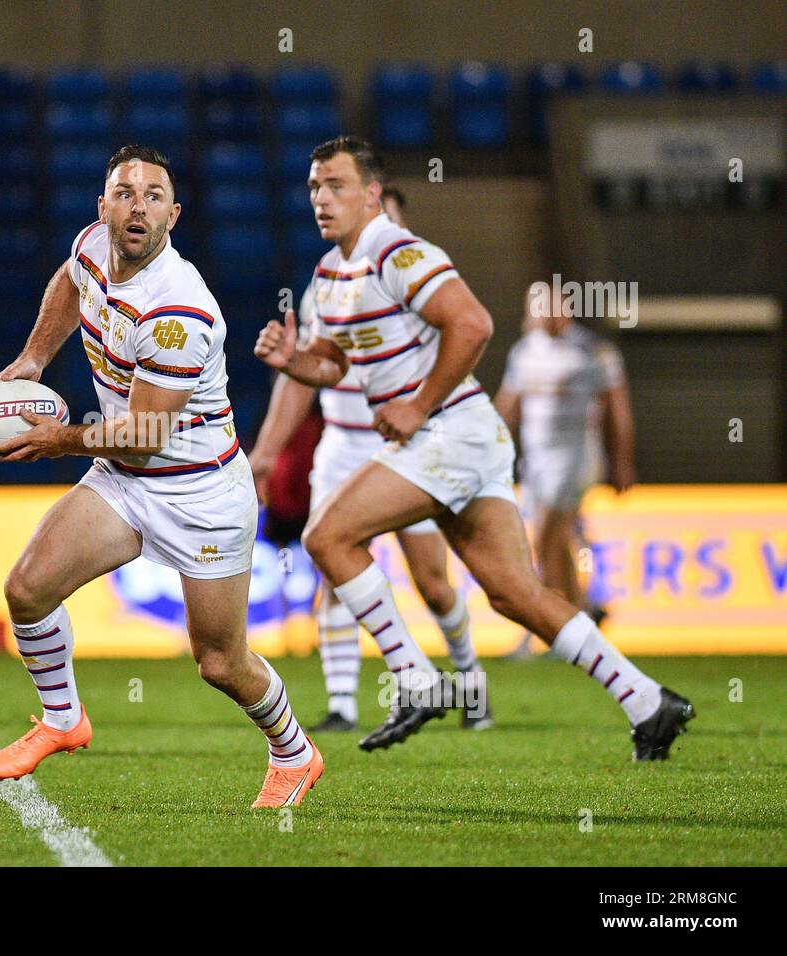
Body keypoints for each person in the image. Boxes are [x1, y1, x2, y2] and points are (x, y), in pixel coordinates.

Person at [255, 136, 693, 761]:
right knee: (515, 593)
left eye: (337, 186)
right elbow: (333, 367)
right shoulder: (330, 276)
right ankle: (649, 702)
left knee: (328, 537)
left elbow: (474, 323)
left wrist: (418, 403)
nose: (322, 199)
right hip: (466, 438)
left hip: (448, 434)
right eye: (315, 188)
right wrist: (292, 361)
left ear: (373, 193)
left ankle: (416, 680)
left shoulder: (397, 251)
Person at [0, 145, 323, 808]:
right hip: (124, 479)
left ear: (174, 213)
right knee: (26, 589)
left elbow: (145, 437)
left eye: (153, 195)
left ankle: (295, 752)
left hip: (200, 491)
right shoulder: (91, 247)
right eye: (124, 192)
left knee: (220, 663)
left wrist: (59, 440)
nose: (137, 205)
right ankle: (63, 721)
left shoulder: (178, 311)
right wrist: (32, 358)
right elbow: (69, 278)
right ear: (103, 206)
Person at [253, 270, 491, 735]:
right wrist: (267, 451)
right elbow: (302, 376)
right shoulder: (324, 289)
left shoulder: (420, 286)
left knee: (433, 584)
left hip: (407, 445)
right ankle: (342, 704)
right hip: (343, 445)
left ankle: (471, 683)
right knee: (333, 569)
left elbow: (458, 350)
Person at [495, 286, 635, 655]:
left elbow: (617, 409)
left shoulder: (592, 351)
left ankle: (546, 629)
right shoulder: (524, 351)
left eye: (551, 307)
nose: (544, 315)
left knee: (546, 540)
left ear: (567, 308)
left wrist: (622, 460)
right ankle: (583, 617)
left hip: (576, 458)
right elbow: (508, 407)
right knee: (555, 545)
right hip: (536, 461)